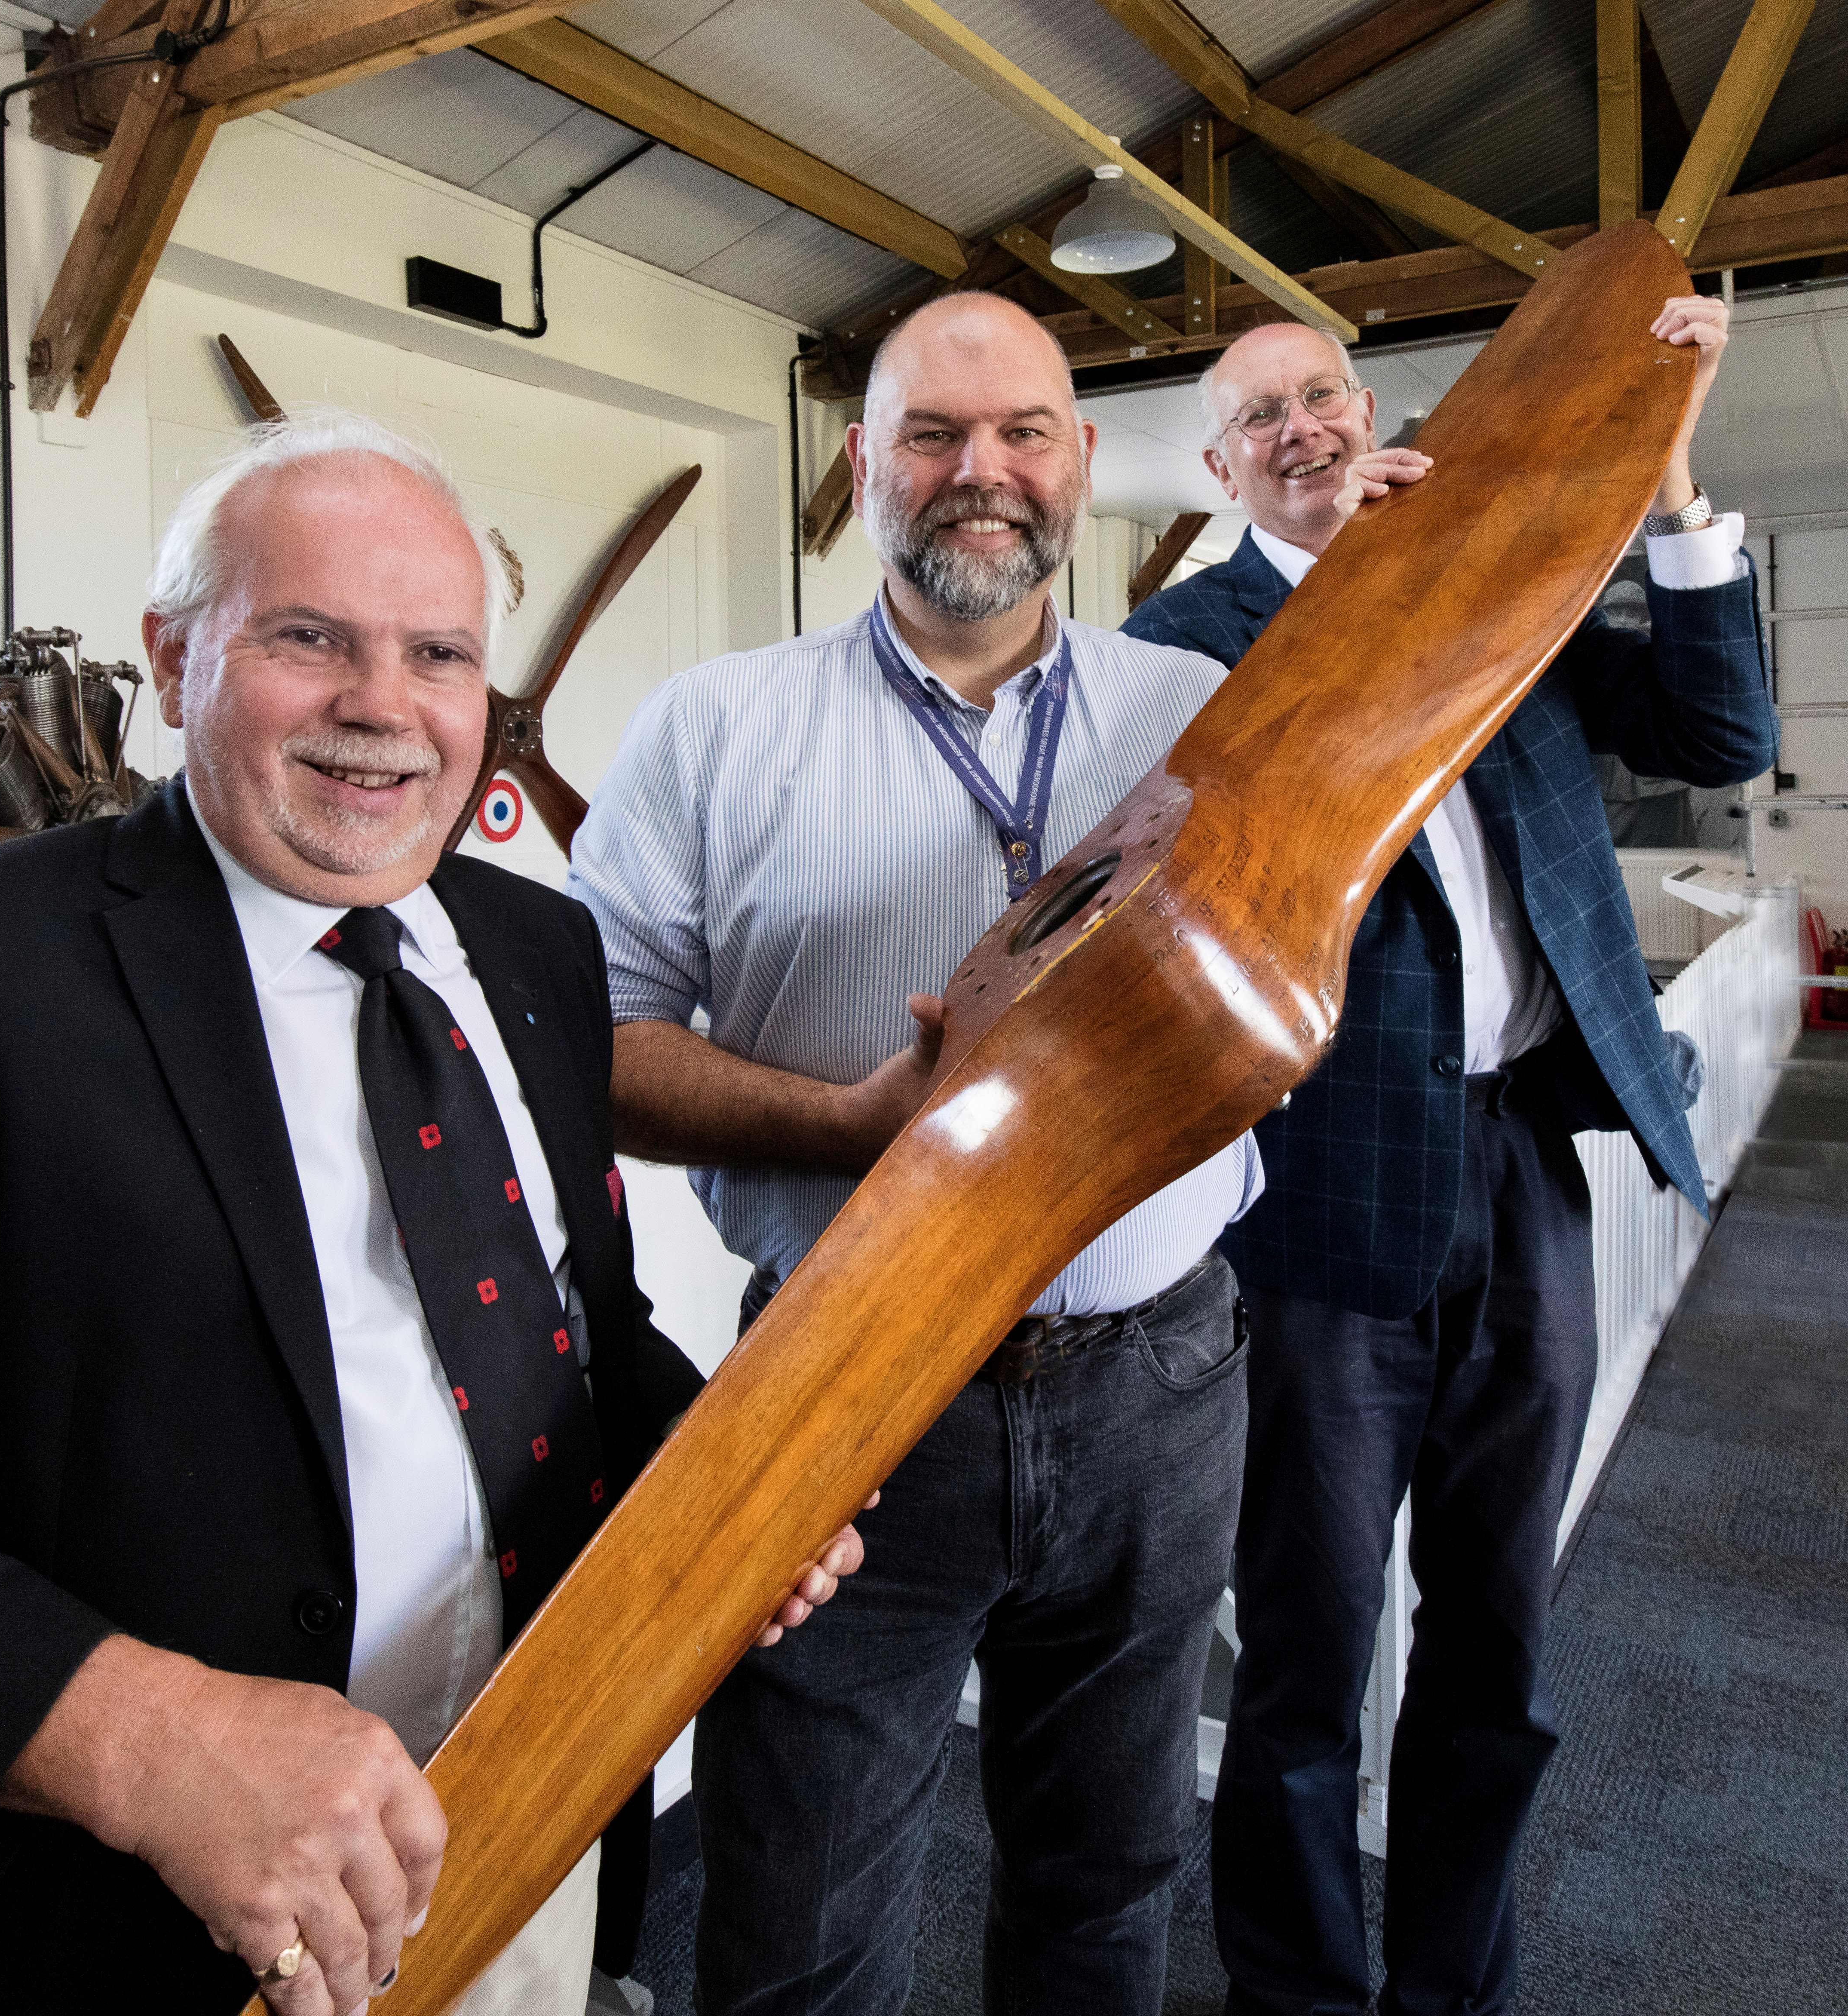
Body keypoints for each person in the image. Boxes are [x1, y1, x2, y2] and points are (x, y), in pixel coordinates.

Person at [0, 411, 862, 2016]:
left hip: (528, 1814)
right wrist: (142, 1740)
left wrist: (714, 1474)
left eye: (440, 653)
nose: (383, 708)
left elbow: (571, 1316)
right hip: (144, 1918)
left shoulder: (537, 951)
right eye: (309, 638)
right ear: (174, 653)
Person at [568, 291, 1262, 2016]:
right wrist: (849, 1127)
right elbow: (584, 1053)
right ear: (862, 461)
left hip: (1159, 1382)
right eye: (934, 436)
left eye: (1024, 433)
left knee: (1110, 1878)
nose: (983, 472)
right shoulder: (716, 727)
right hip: (843, 1385)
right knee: (799, 1915)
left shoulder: (1217, 715)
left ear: (1083, 461)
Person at [1123, 301, 1776, 2016]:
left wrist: (1671, 477)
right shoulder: (1186, 638)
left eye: (1324, 392)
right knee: (1309, 1668)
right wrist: (1369, 596)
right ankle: (1305, 1998)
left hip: (1526, 1171)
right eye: (1262, 415)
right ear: (1219, 466)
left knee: (1498, 1644)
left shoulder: (1504, 574)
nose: (1307, 429)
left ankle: (1456, 1988)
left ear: (1369, 403)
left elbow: (1718, 738)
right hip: (1325, 1207)